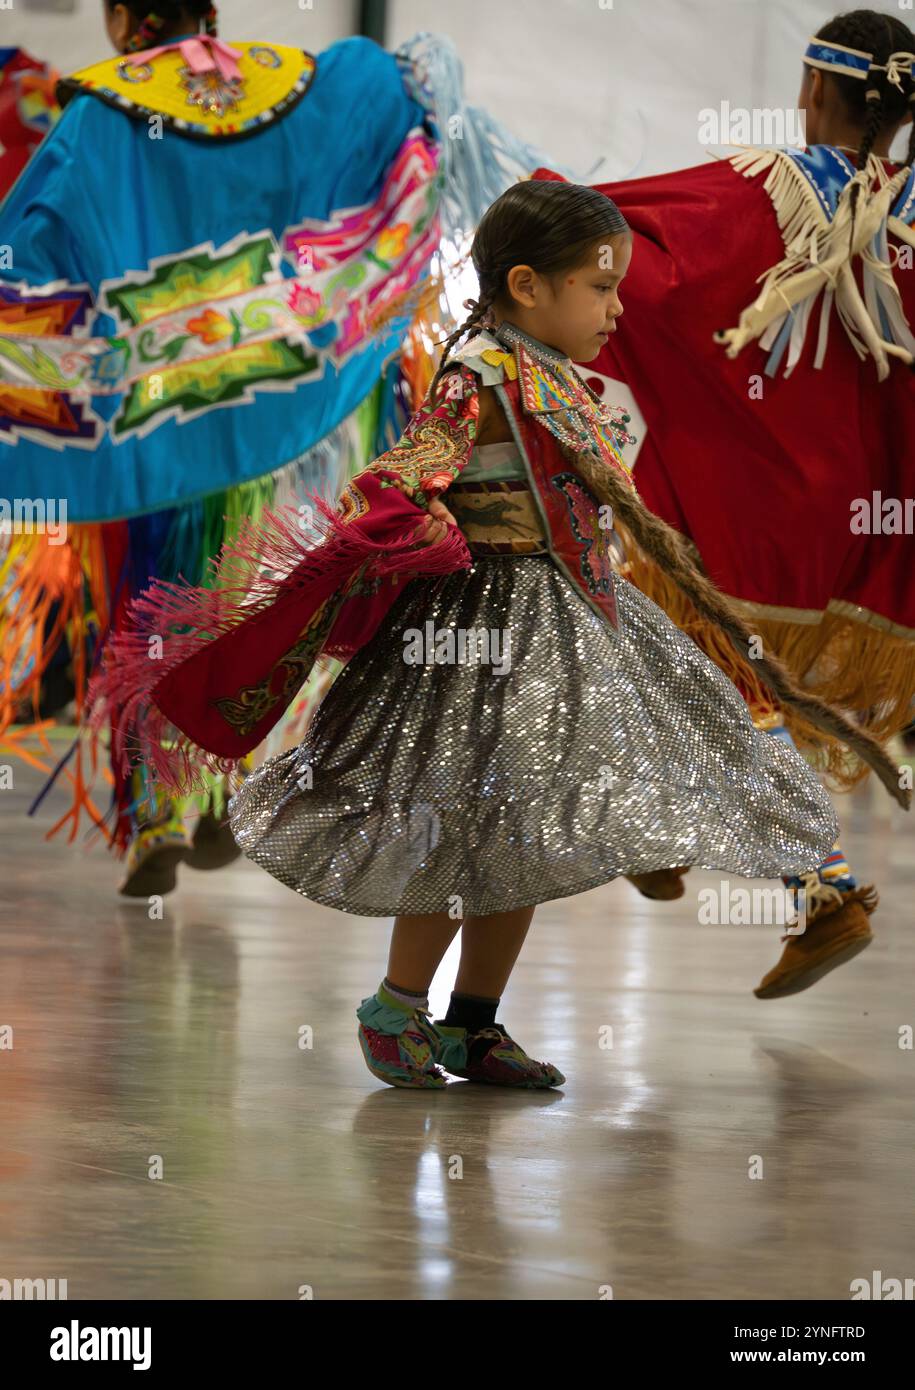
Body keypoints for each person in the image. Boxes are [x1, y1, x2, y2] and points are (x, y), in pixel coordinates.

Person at [86, 180, 908, 1089]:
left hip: (574, 610)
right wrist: (406, 515)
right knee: (459, 820)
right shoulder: (478, 374)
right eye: (600, 289)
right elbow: (409, 469)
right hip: (482, 633)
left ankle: (475, 1025)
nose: (616, 307)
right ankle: (398, 1006)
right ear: (527, 285)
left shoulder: (551, 373)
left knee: (530, 826)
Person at [0, 4, 532, 894]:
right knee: (224, 591)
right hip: (262, 406)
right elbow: (377, 95)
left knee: (140, 600)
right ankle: (212, 787)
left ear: (122, 19)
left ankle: (154, 817)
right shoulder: (286, 85)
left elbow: (34, 245)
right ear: (208, 13)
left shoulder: (95, 111)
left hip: (143, 420)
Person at [532, 7, 915, 998]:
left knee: (703, 662)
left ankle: (820, 888)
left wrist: (533, 216)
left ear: (813, 93)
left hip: (744, 500)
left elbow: (635, 267)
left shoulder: (759, 193)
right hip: (871, 523)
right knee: (711, 670)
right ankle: (659, 827)